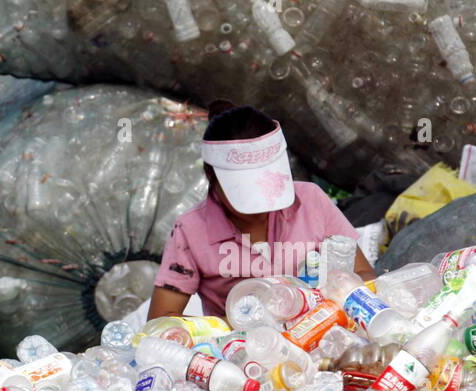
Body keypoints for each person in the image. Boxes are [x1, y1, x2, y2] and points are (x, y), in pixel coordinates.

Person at [148, 100, 376, 320]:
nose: (260, 208)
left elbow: (366, 277)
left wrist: (330, 300)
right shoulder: (191, 230)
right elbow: (162, 319)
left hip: (320, 334)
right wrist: (230, 323)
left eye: (268, 187)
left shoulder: (310, 200)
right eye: (246, 192)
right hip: (242, 349)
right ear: (211, 176)